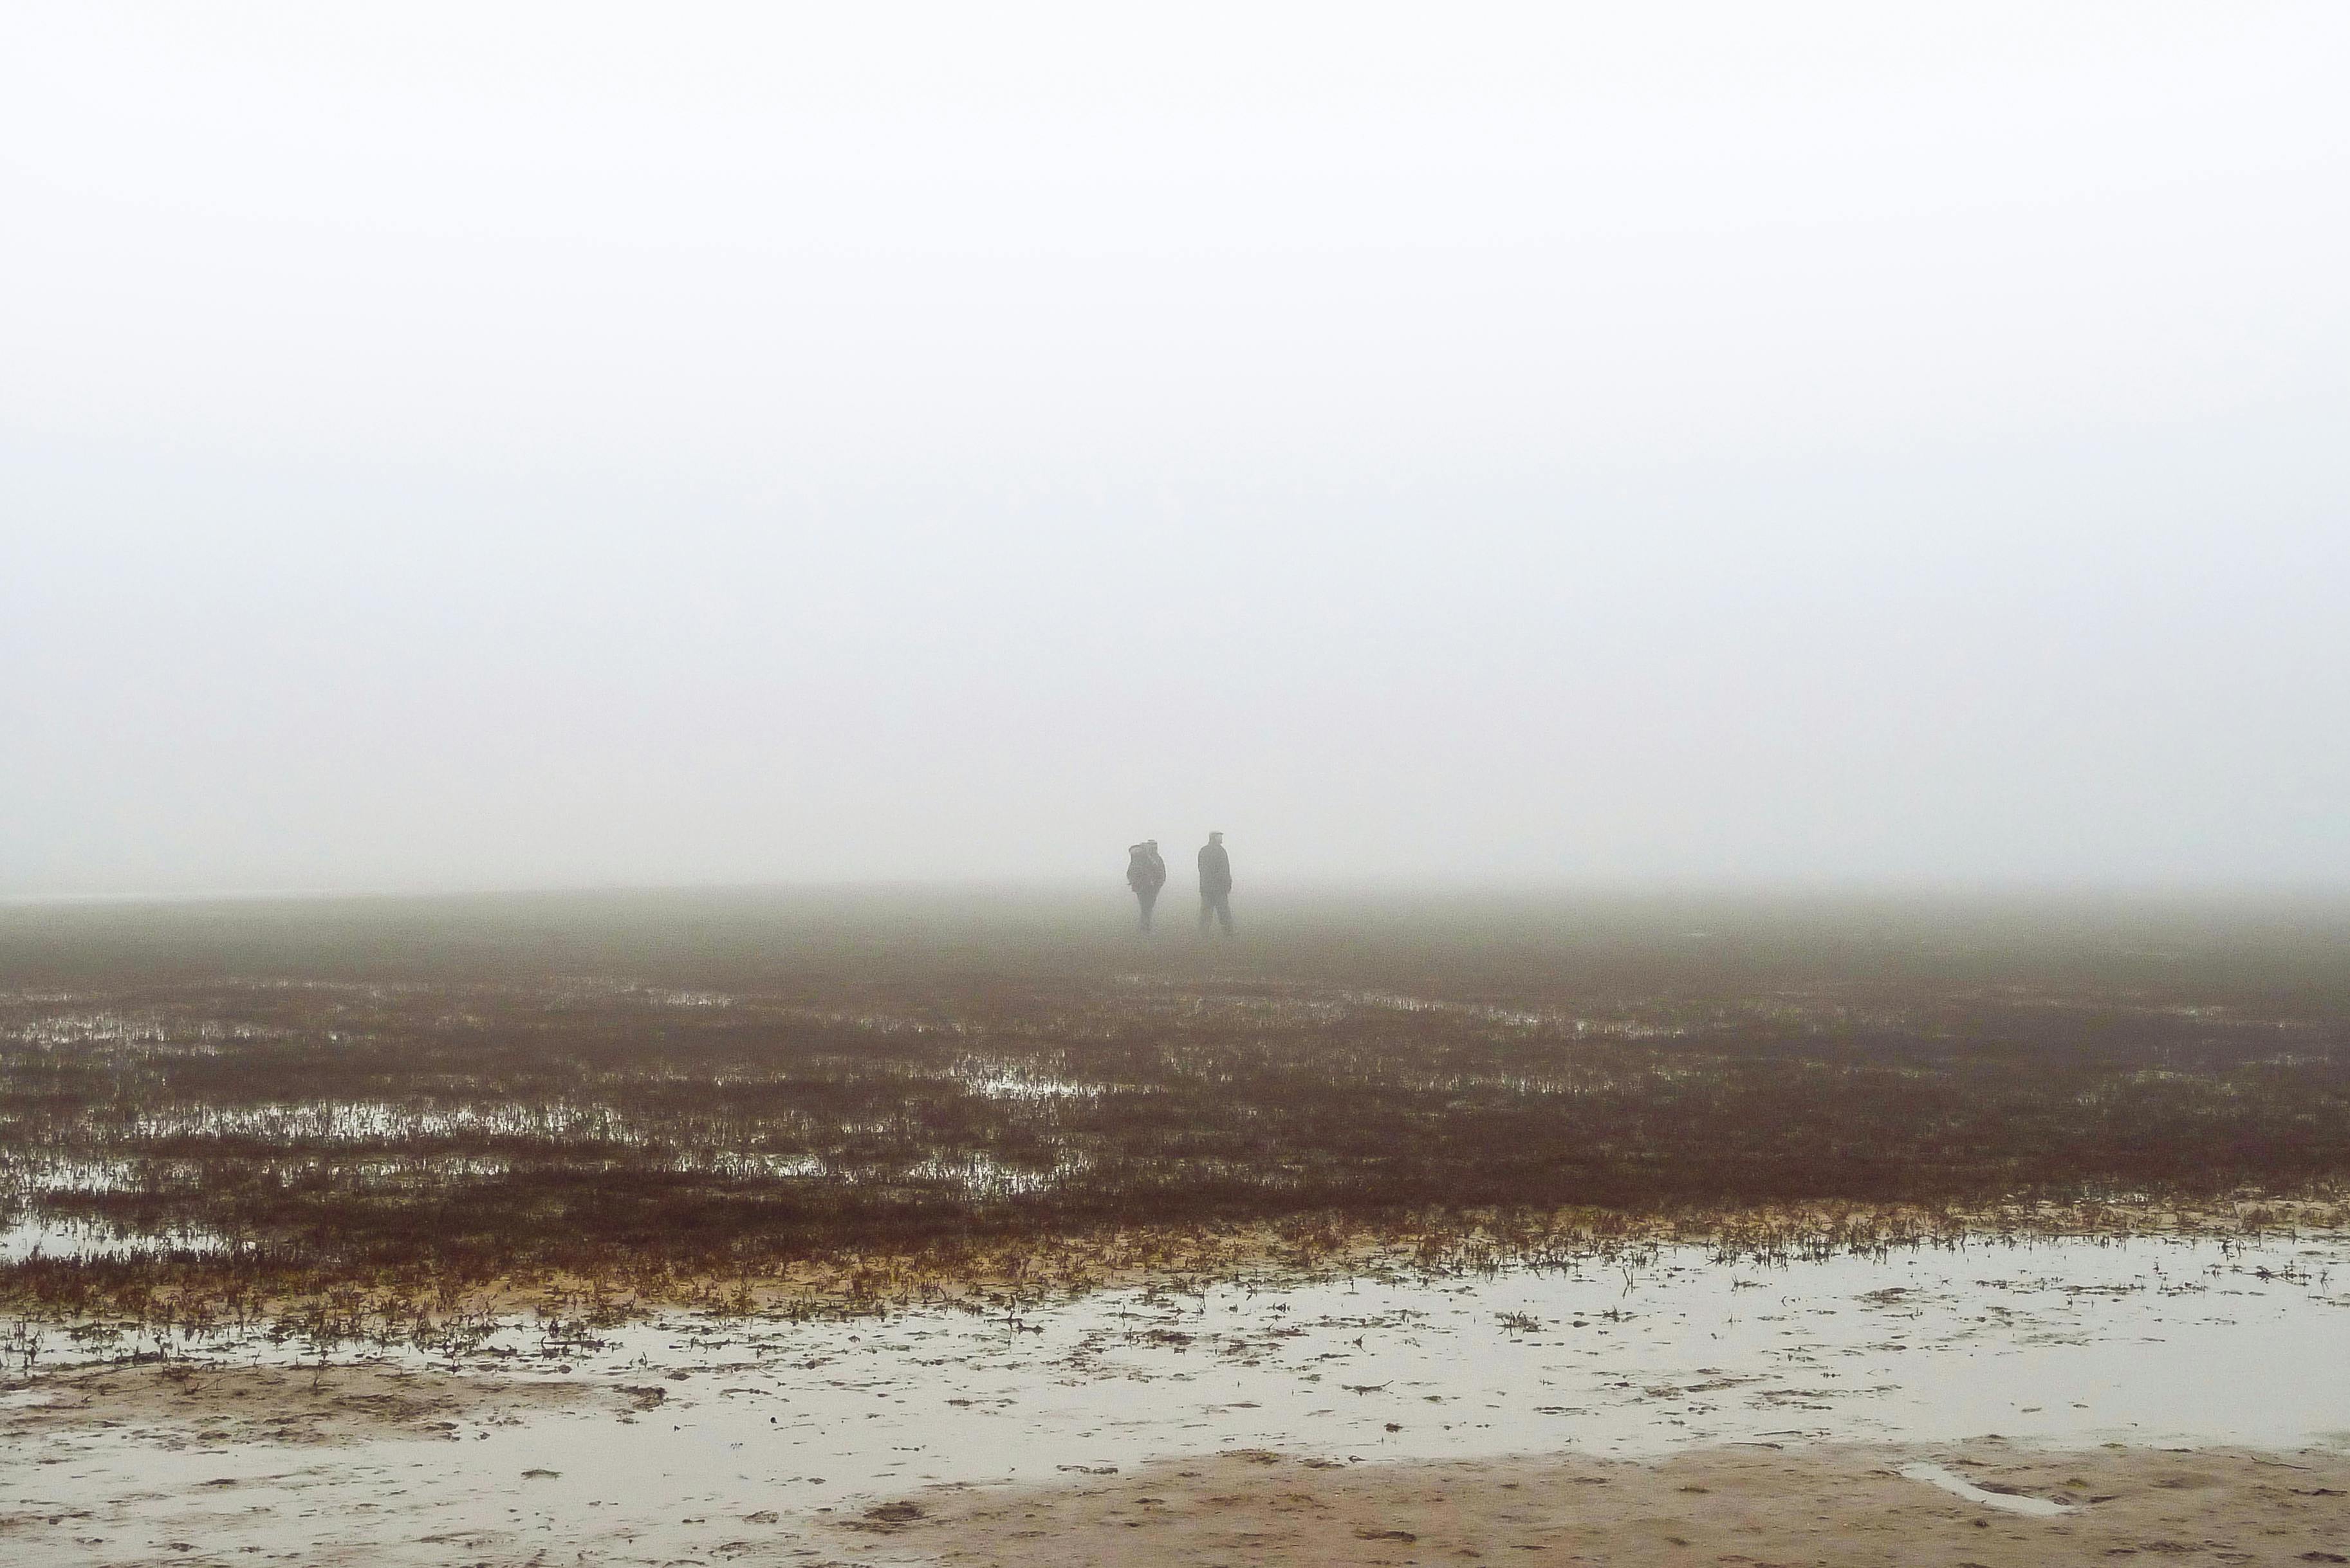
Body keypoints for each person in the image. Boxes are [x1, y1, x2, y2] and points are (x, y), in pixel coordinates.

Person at [1197, 831, 1233, 935]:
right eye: (1219, 836)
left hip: (1207, 888)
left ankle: (1202, 934)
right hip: (1219, 888)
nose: (1221, 838)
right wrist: (1227, 884)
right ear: (1214, 837)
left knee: (1206, 912)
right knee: (1223, 911)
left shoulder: (1203, 851)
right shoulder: (1221, 851)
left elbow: (1201, 869)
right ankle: (1228, 933)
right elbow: (1225, 870)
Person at [1125, 840, 1167, 932]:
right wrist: (1158, 885)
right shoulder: (1153, 858)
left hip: (1140, 887)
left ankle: (1144, 927)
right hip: (1151, 887)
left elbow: (1129, 872)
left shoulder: (1138, 859)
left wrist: (1134, 883)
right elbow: (1161, 873)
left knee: (1145, 907)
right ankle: (1145, 928)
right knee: (1147, 908)